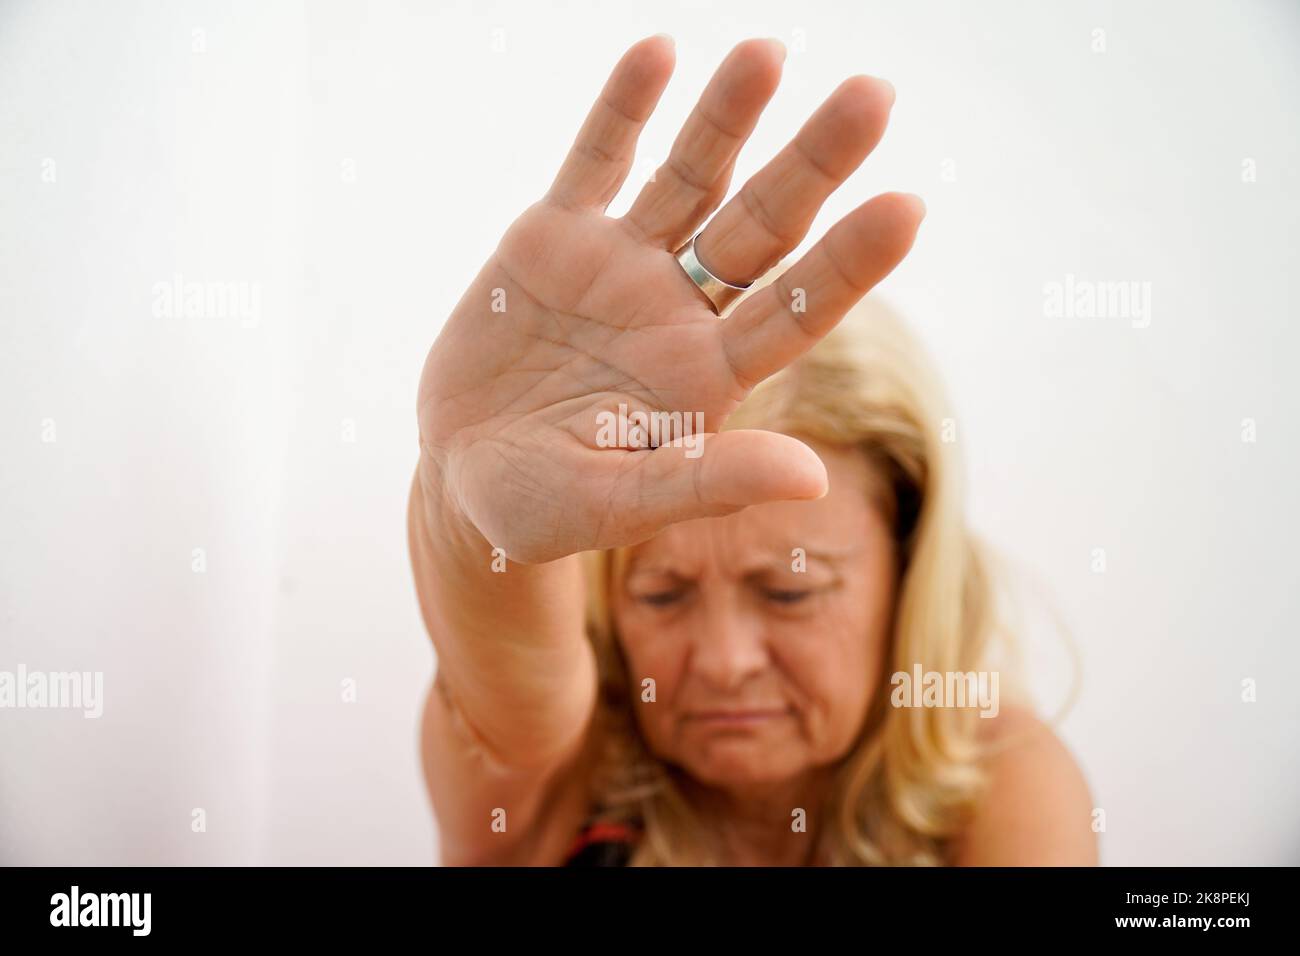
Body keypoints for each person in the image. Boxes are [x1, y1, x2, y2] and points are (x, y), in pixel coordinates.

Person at [408, 35, 1096, 866]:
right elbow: (511, 701)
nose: (726, 664)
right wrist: (461, 500)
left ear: (911, 566)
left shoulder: (999, 785)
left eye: (789, 592)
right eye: (662, 596)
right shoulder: (558, 773)